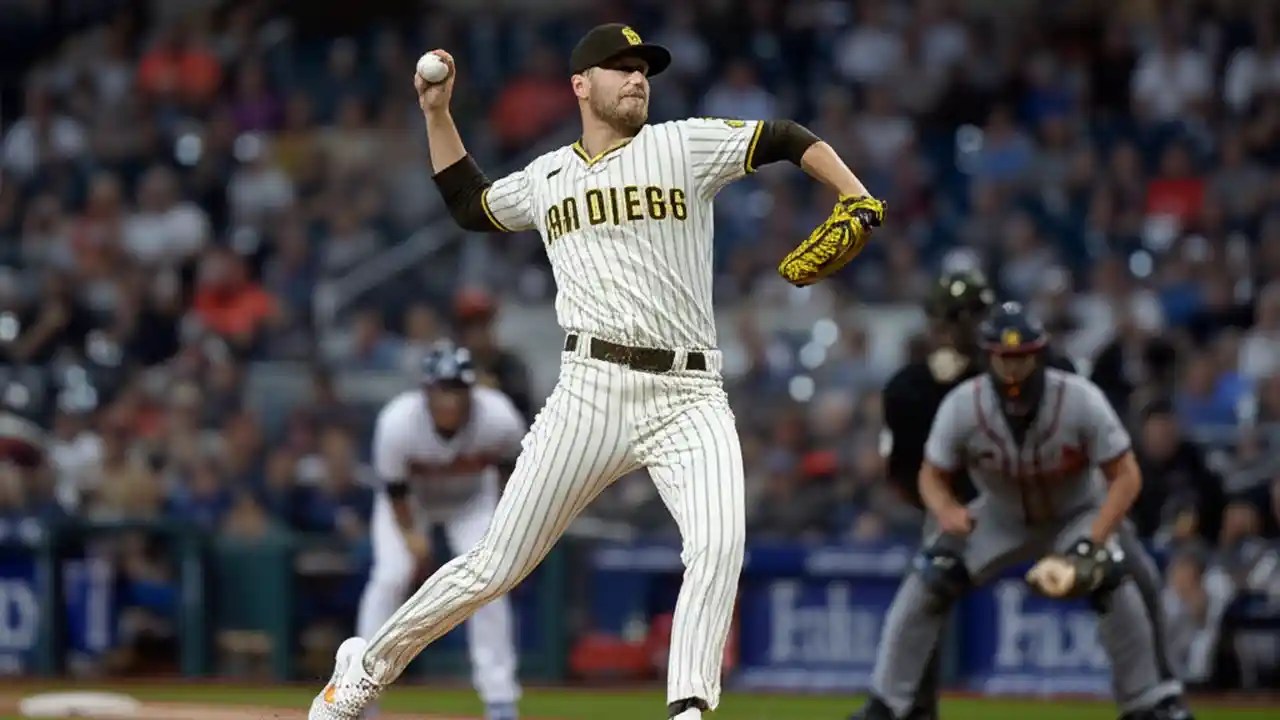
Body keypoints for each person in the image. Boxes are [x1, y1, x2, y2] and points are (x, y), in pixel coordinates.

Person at [309, 22, 885, 720]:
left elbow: (788, 136)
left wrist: (853, 193)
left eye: (643, 67)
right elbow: (470, 205)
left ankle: (690, 710)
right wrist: (437, 114)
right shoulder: (548, 176)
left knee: (720, 542)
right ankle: (364, 668)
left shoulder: (682, 144)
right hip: (591, 389)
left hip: (689, 393)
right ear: (581, 85)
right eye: (620, 67)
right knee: (495, 566)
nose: (638, 77)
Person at [856, 272, 1191, 720]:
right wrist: (946, 509)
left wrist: (1095, 538)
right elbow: (929, 474)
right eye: (1003, 357)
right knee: (931, 573)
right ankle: (890, 704)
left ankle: (1149, 702)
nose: (1013, 368)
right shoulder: (962, 401)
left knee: (1116, 572)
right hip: (998, 513)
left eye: (1023, 357)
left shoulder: (1076, 396)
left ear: (1041, 354)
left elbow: (1125, 474)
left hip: (1076, 510)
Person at [355, 341, 525, 720]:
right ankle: (361, 693)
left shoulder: (498, 416)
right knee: (390, 577)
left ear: (471, 391)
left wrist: (503, 520)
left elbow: (514, 469)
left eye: (457, 389)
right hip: (410, 504)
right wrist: (414, 538)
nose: (449, 399)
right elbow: (395, 490)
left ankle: (500, 700)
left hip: (469, 502)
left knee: (489, 584)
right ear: (426, 391)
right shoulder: (397, 422)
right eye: (441, 389)